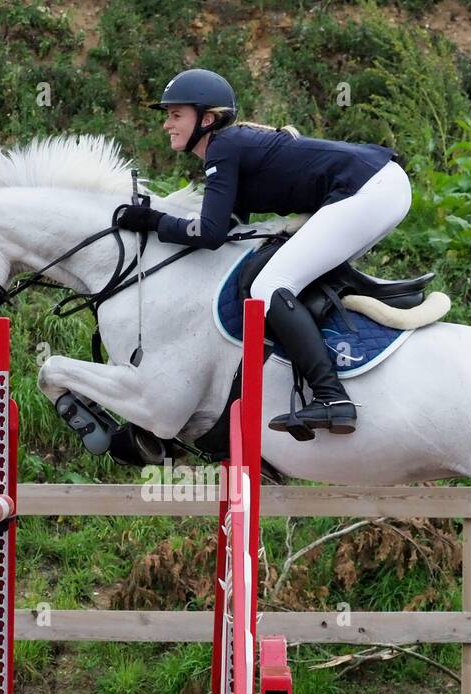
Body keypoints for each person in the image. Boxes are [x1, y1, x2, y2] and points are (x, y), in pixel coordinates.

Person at [113, 68, 412, 435]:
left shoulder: (222, 149)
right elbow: (230, 223)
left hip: (369, 190)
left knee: (269, 287)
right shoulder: (230, 148)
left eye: (176, 115)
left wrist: (152, 221)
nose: (167, 125)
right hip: (380, 186)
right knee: (288, 279)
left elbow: (209, 232)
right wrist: (160, 219)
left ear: (207, 119)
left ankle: (332, 398)